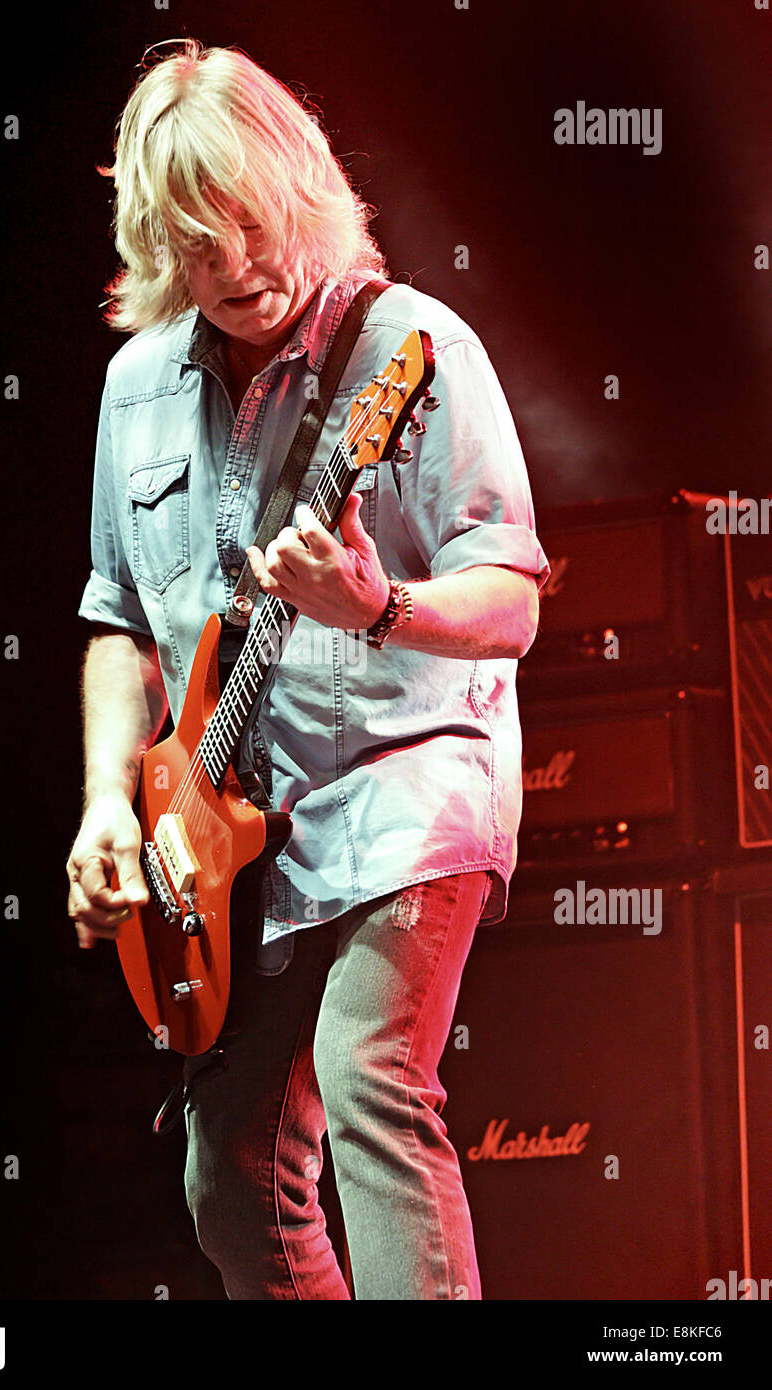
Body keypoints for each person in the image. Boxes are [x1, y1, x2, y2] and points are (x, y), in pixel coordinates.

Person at [67, 38, 550, 1300]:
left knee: (371, 1077)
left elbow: (510, 601)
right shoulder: (133, 392)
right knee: (226, 1174)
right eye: (200, 243)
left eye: (259, 225)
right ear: (157, 241)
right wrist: (108, 801)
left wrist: (372, 601)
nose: (243, 266)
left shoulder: (417, 349)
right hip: (238, 836)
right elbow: (118, 618)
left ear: (306, 189)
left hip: (408, 782)